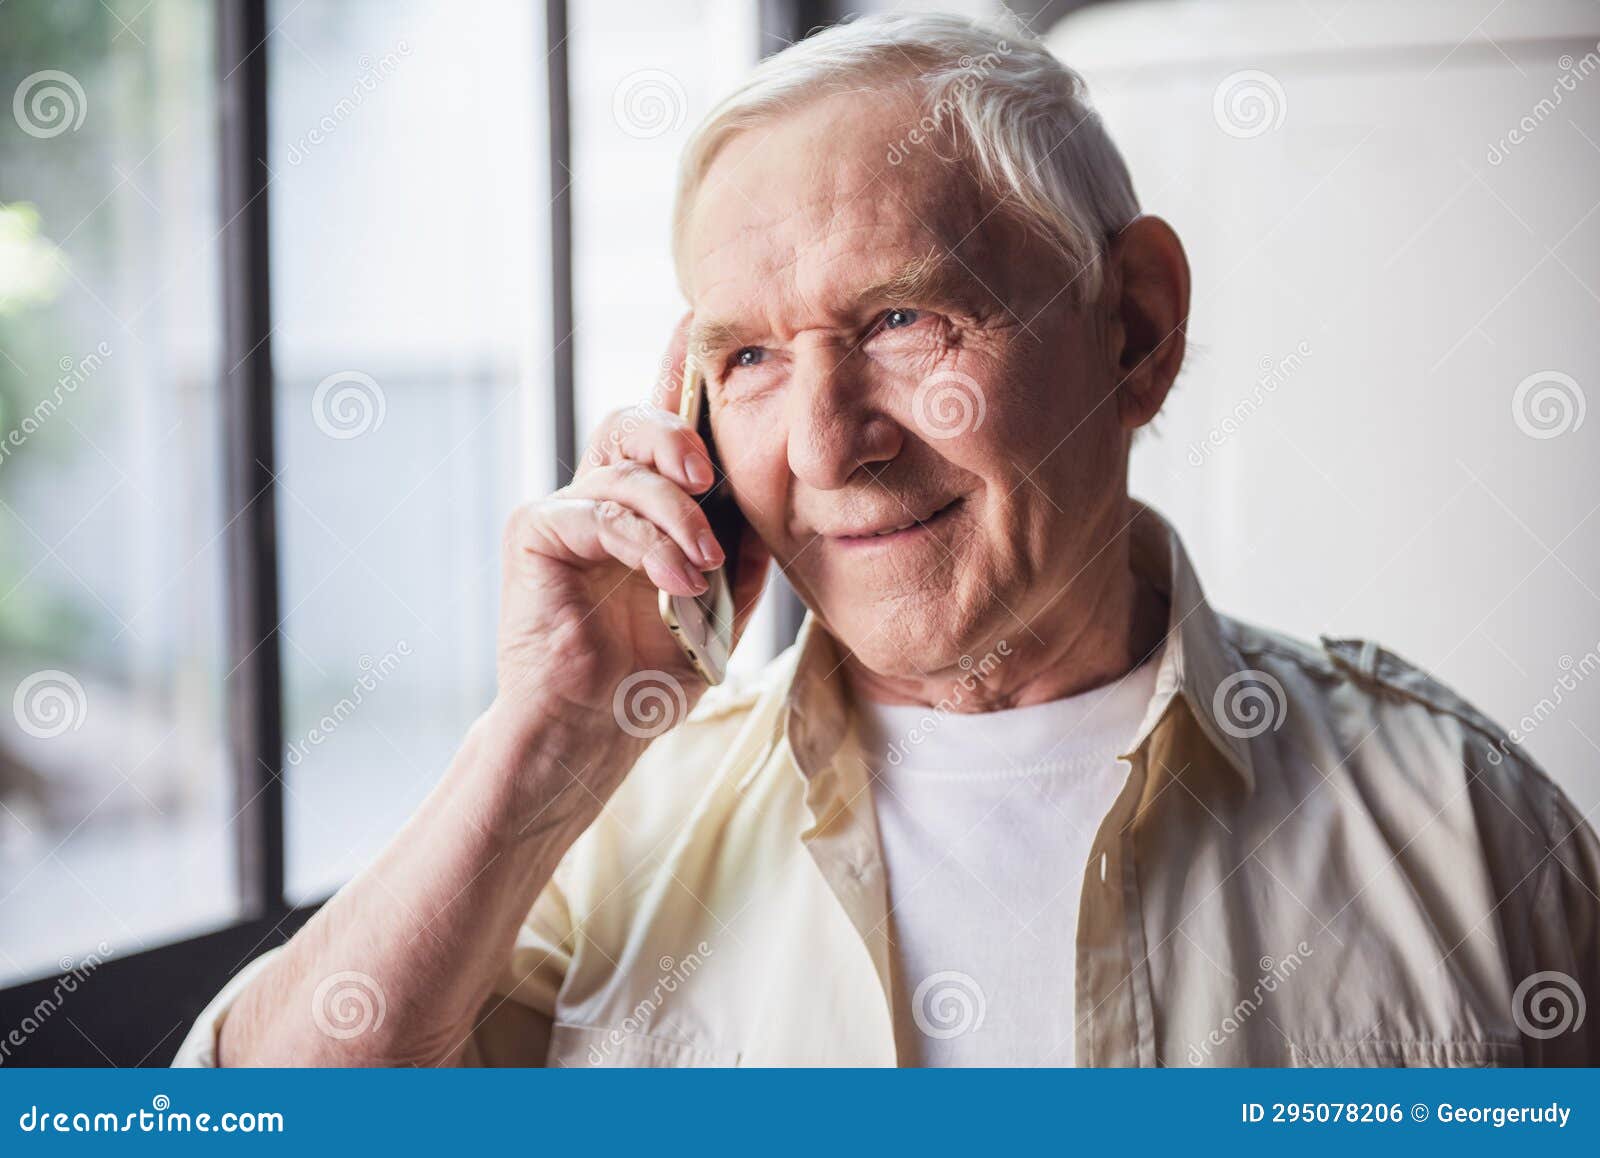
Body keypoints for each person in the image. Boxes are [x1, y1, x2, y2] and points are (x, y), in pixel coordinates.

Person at [176, 12, 1599, 1068]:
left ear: (1136, 328)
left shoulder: (1462, 820)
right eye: (746, 360)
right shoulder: (597, 835)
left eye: (905, 319)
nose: (825, 442)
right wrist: (541, 746)